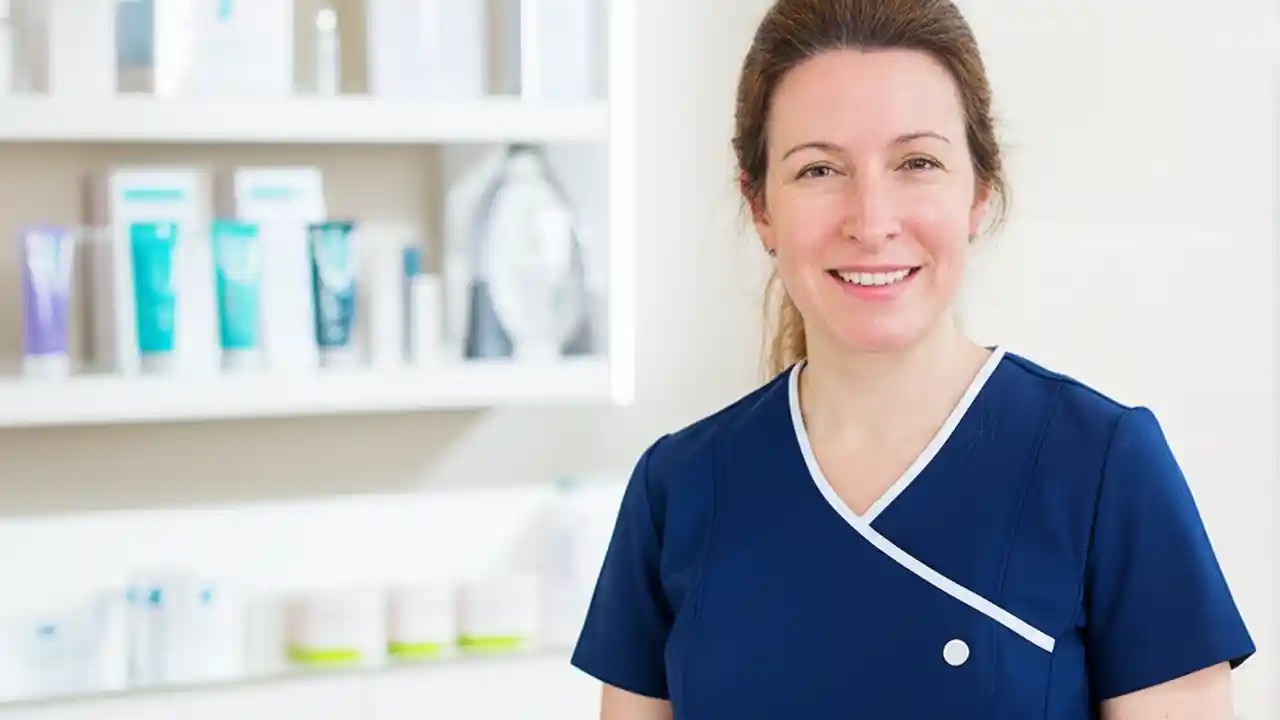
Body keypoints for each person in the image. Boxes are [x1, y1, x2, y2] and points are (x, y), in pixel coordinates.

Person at [570, 0, 1256, 717]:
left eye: (917, 163)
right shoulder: (678, 491)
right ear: (760, 206)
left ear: (979, 192)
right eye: (819, 170)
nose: (871, 222)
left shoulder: (1104, 467)